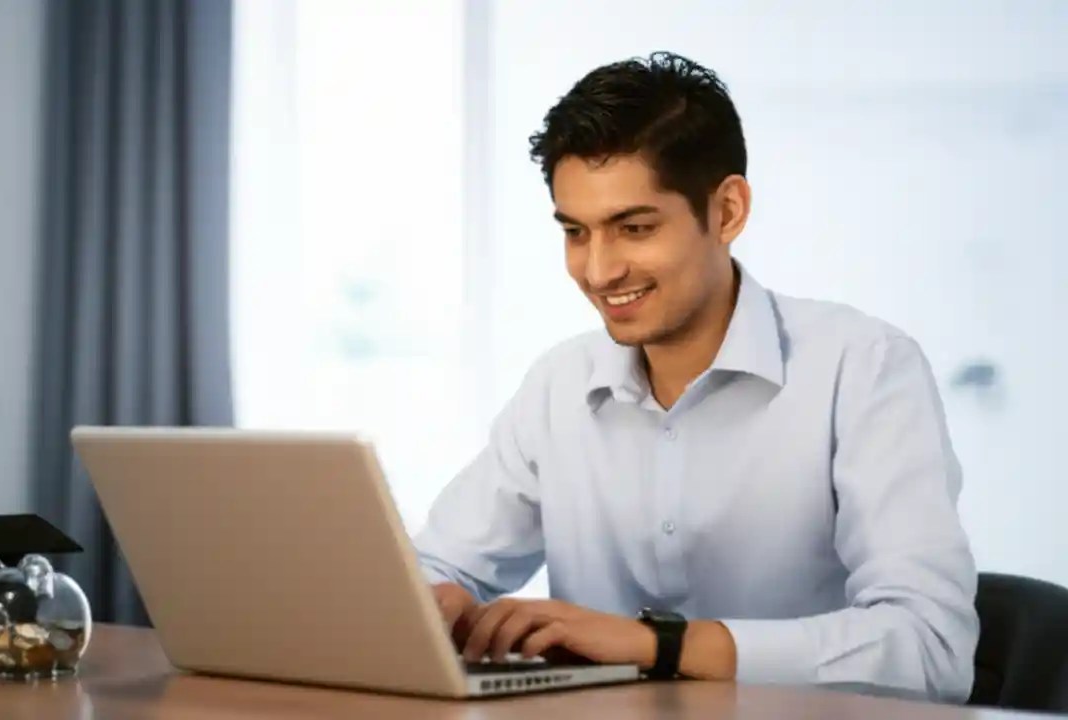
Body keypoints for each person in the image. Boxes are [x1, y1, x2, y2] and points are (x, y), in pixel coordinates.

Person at [413, 52, 978, 702]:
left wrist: (662, 646)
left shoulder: (863, 367)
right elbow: (439, 565)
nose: (598, 272)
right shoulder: (559, 385)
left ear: (728, 211)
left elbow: (930, 649)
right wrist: (435, 604)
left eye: (635, 228)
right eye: (575, 232)